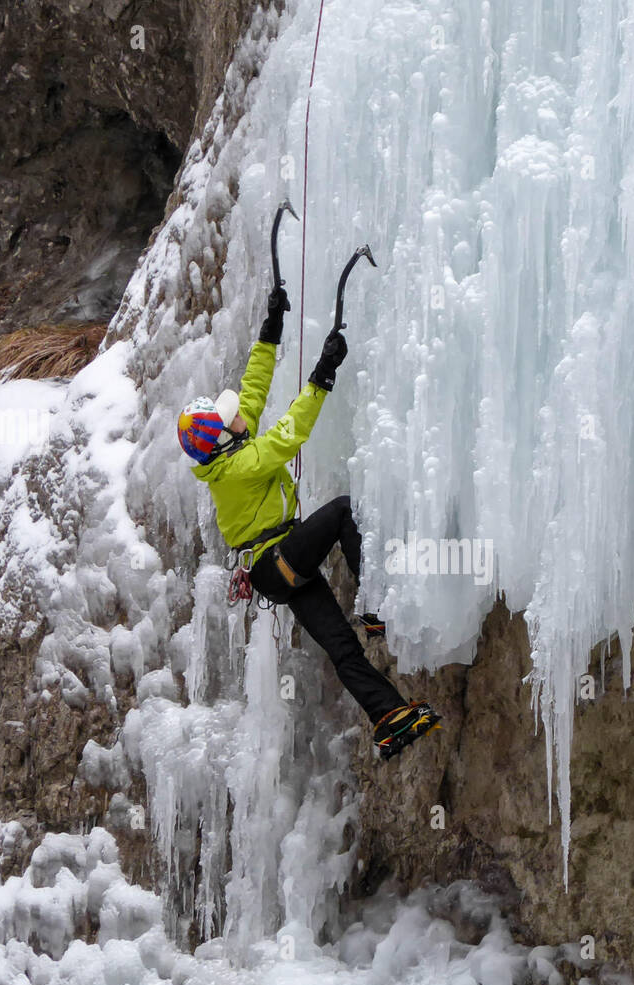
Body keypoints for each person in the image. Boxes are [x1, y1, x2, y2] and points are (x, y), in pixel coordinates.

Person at [177, 285, 439, 759]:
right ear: (219, 441)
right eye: (229, 420)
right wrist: (322, 376)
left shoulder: (229, 445)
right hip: (276, 560)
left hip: (280, 571)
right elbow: (287, 437)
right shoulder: (236, 467)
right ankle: (376, 605)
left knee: (342, 646)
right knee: (342, 511)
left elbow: (252, 389)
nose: (237, 416)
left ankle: (390, 718)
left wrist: (270, 329)